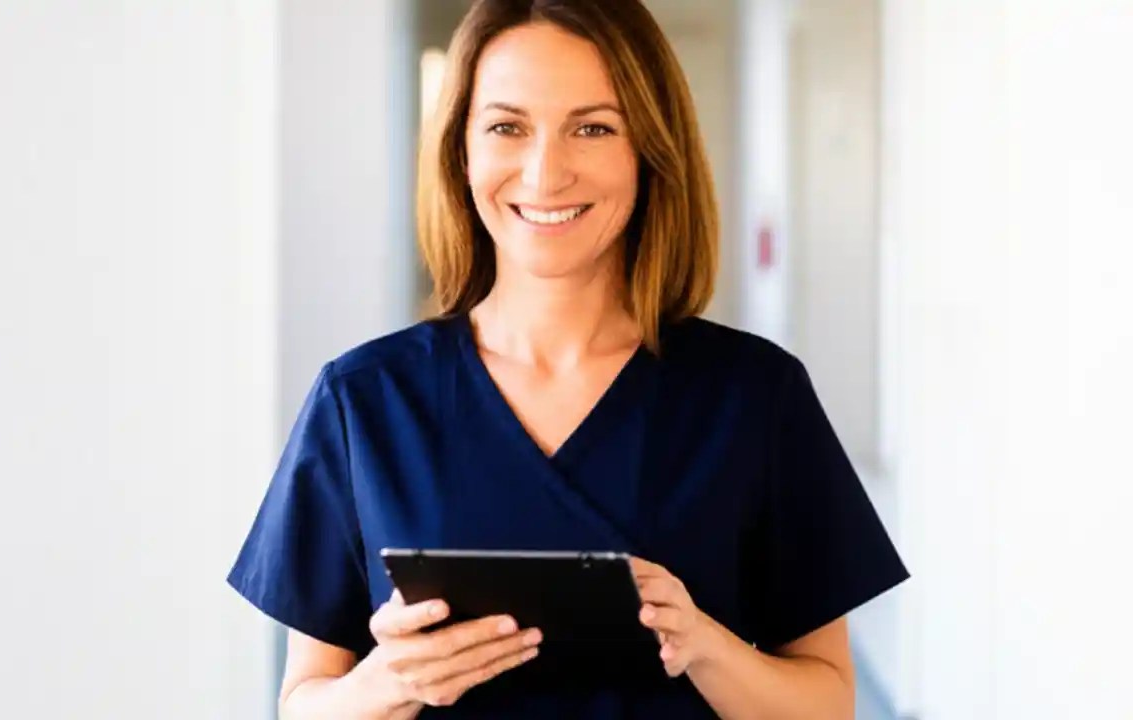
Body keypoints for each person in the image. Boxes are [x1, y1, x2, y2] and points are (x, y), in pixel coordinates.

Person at [227, 0, 908, 717]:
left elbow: (828, 700)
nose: (546, 173)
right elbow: (302, 702)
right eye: (506, 127)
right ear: (461, 151)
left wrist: (706, 646)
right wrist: (389, 681)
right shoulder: (363, 402)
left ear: (649, 149)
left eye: (592, 128)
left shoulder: (756, 397)